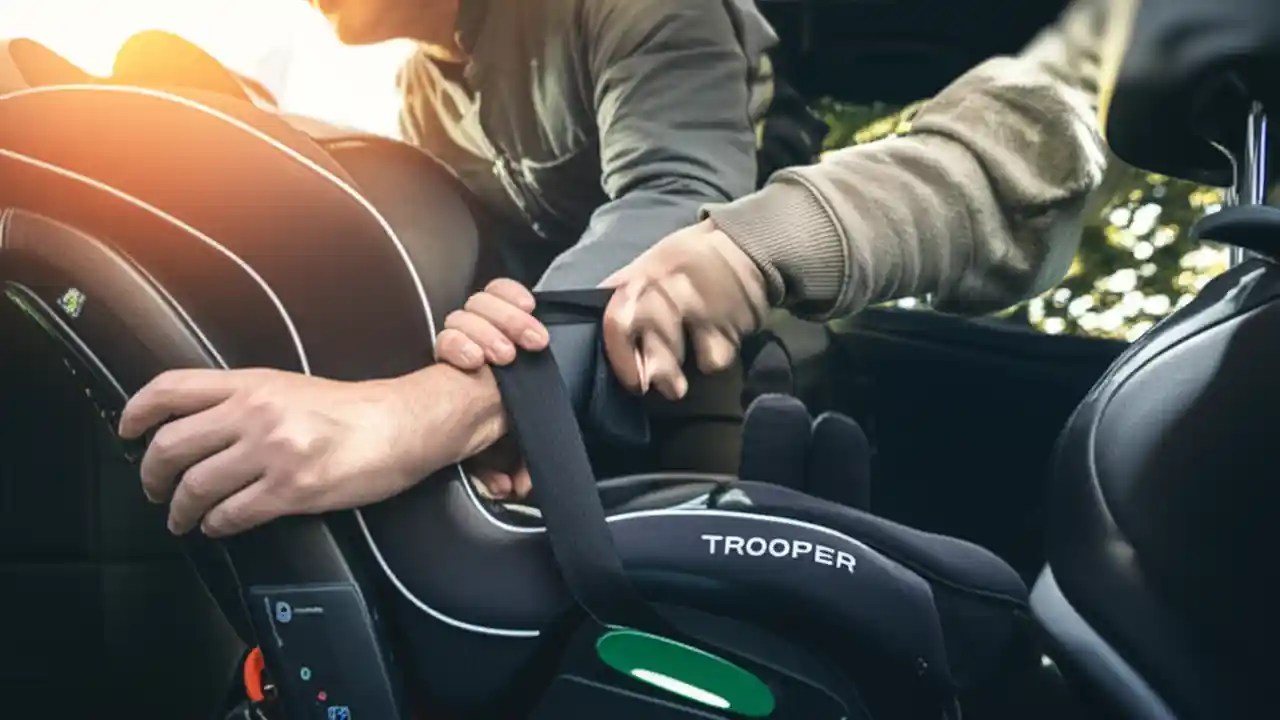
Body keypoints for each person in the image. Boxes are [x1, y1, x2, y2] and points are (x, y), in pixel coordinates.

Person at [118, 0, 1113, 537]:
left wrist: (438, 407)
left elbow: (674, 195)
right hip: (564, 409)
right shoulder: (422, 98)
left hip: (750, 388)